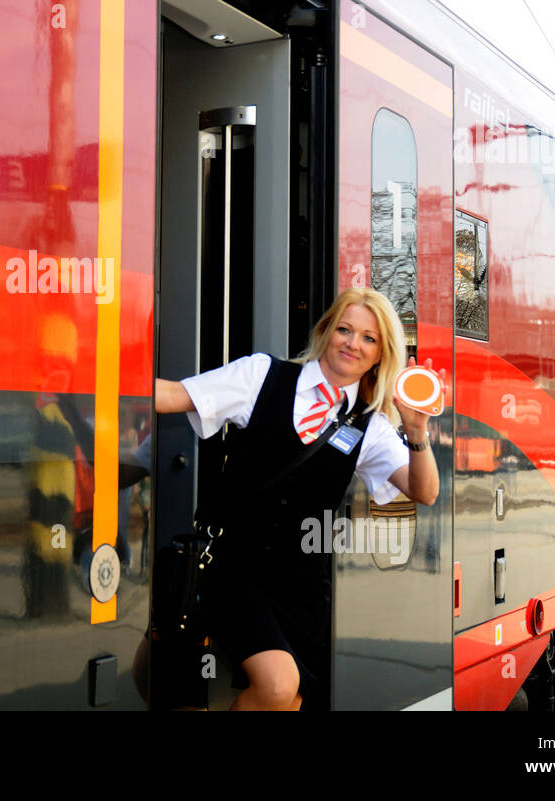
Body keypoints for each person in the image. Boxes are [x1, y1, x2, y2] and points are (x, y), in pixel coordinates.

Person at [154, 287, 439, 711]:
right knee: (276, 685)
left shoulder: (370, 426)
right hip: (234, 568)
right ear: (325, 331)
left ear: (380, 355)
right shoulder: (261, 376)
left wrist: (417, 432)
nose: (352, 343)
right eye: (344, 329)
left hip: (302, 588)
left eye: (368, 338)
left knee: (290, 700)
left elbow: (425, 491)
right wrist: (95, 371)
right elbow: (174, 396)